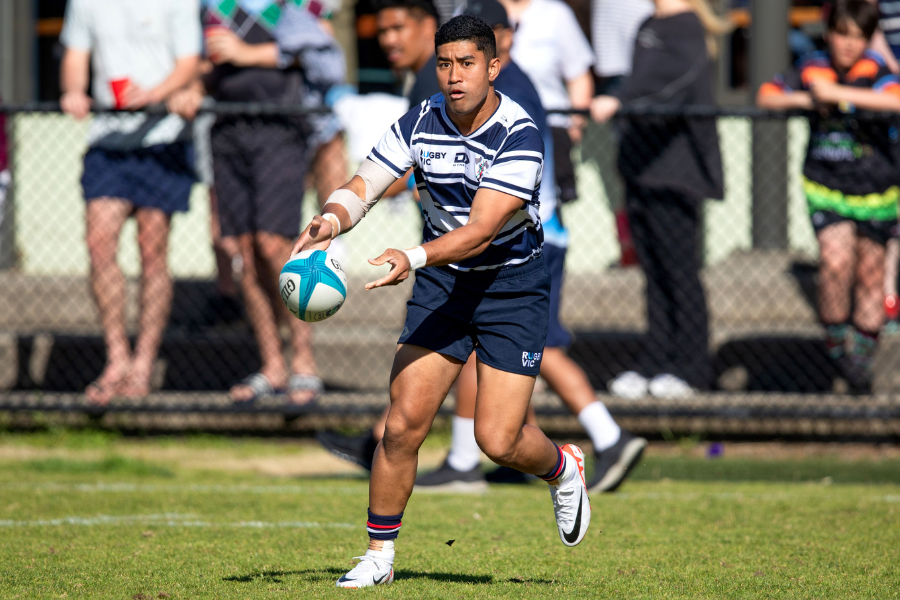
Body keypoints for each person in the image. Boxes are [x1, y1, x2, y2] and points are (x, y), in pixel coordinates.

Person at [294, 15, 591, 587]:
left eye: (467, 64)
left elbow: (480, 230)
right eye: (445, 64)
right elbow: (368, 183)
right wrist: (331, 219)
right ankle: (379, 558)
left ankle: (563, 468)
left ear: (492, 67)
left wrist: (411, 256)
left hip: (510, 286)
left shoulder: (521, 133)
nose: (454, 76)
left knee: (497, 440)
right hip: (443, 286)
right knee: (402, 424)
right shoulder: (421, 120)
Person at [414, 0, 648, 493]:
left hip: (527, 239)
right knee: (492, 349)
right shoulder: (493, 86)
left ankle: (608, 437)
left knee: (540, 345)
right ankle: (471, 456)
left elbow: (492, 199)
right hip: (506, 236)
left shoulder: (506, 91)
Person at [167, 1, 346, 404]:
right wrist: (196, 86)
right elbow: (211, 64)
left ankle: (303, 362)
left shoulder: (292, 5)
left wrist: (246, 53)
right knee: (244, 253)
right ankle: (273, 366)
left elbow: (326, 53)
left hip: (280, 127)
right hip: (228, 128)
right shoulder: (214, 6)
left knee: (274, 244)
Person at [59, 0, 201, 404]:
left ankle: (143, 363)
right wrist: (73, 91)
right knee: (98, 243)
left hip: (163, 139)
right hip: (108, 141)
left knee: (152, 251)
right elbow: (75, 55)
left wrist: (156, 94)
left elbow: (188, 63)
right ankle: (116, 358)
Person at [758, 0, 900, 391]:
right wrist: (808, 100)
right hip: (827, 184)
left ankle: (862, 360)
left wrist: (840, 95)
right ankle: (840, 351)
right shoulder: (811, 68)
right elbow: (766, 95)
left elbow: (895, 99)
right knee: (835, 263)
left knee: (870, 274)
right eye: (841, 35)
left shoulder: (877, 71)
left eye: (858, 37)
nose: (848, 46)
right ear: (829, 33)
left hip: (876, 189)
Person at [591, 0, 728, 399]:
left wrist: (621, 103)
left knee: (679, 271)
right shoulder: (648, 25)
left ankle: (692, 369)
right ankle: (657, 361)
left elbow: (671, 85)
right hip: (641, 170)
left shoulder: (686, 26)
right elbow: (641, 82)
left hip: (675, 174)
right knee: (653, 274)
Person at [500, 0, 594, 204]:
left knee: (545, 210)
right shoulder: (476, 8)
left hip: (551, 132)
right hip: (494, 132)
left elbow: (578, 74)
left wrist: (575, 128)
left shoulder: (555, 13)